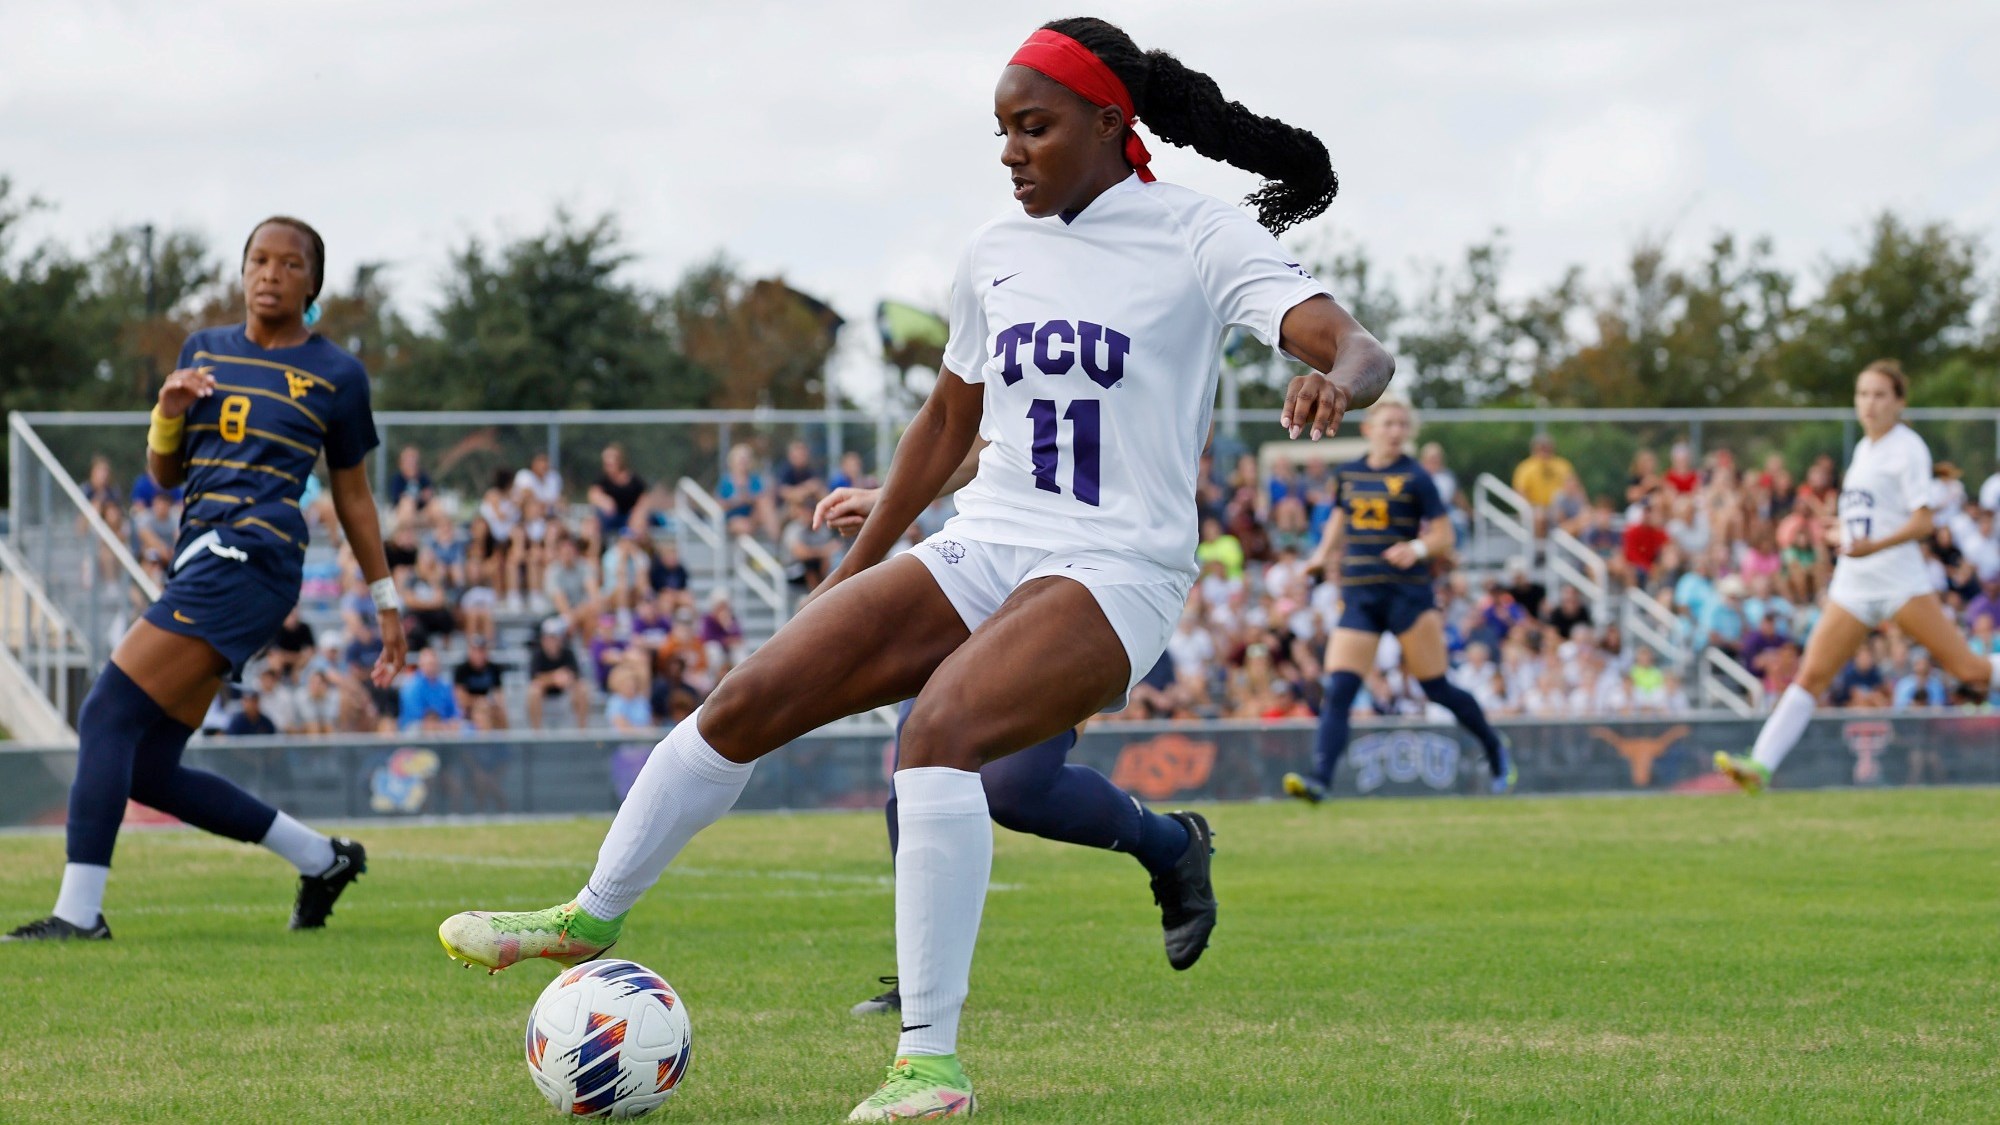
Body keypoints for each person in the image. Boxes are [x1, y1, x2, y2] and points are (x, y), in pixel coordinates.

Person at [440, 17, 1390, 1120]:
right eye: (999, 130)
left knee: (937, 739)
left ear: (1106, 123)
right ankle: (588, 917)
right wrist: (855, 569)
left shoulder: (1197, 235)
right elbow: (947, 422)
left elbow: (1353, 343)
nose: (1008, 151)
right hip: (986, 541)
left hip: (1114, 568)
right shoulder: (993, 251)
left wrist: (1341, 380)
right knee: (748, 696)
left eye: (1031, 127)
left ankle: (928, 1066)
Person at [5, 216, 402, 944]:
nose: (270, 272)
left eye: (289, 264)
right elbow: (164, 473)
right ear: (242, 268)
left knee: (104, 713)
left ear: (312, 283)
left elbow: (353, 495)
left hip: (254, 559)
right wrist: (166, 412)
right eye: (259, 258)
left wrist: (387, 600)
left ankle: (78, 914)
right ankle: (323, 858)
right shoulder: (204, 350)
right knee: (149, 766)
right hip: (201, 554)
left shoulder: (338, 374)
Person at [811, 448, 1219, 1019]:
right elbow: (986, 438)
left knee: (1014, 788)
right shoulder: (1007, 357)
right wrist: (891, 496)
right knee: (916, 780)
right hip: (979, 563)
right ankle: (922, 978)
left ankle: (1173, 847)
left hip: (1087, 577)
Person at [1718, 360, 1992, 793]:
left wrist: (1873, 546)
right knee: (1811, 676)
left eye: (1880, 394)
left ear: (1900, 402)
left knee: (1970, 670)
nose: (1869, 403)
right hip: (1855, 584)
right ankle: (1759, 767)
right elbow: (1873, 518)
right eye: (1863, 394)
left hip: (1900, 583)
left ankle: (1759, 765)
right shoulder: (1865, 450)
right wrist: (1841, 531)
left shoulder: (1908, 448)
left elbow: (1923, 523)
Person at [1285, 400, 1513, 802]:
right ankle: (1319, 779)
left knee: (1437, 688)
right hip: (1361, 594)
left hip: (1407, 595)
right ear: (1369, 428)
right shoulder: (1349, 474)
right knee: (1339, 688)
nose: (1395, 430)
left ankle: (1495, 747)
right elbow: (1340, 519)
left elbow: (1445, 535)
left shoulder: (1416, 477)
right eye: (1388, 423)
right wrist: (1319, 558)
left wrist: (1419, 549)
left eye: (1402, 424)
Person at [526, 619, 591, 729]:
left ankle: (582, 730)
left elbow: (575, 675)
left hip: (565, 689)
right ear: (543, 639)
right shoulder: (537, 654)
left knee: (582, 689)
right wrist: (554, 677)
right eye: (549, 637)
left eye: (554, 637)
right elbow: (534, 678)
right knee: (533, 691)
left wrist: (565, 678)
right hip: (545, 691)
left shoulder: (568, 653)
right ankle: (536, 732)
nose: (552, 641)